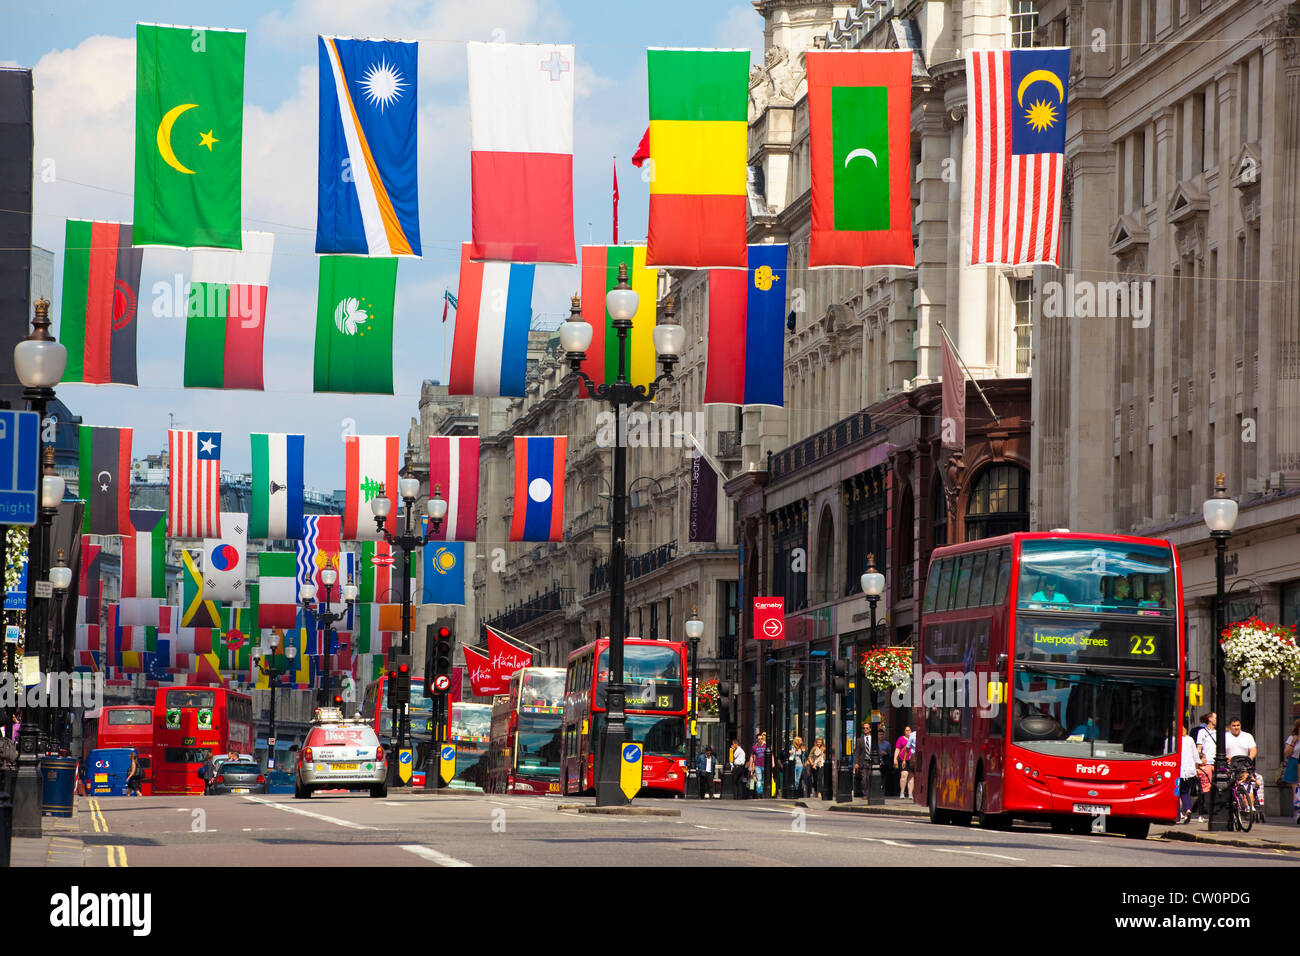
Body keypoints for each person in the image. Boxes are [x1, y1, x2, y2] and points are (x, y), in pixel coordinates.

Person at [1225, 718, 1263, 820]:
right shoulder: (1225, 736)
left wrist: (1249, 759)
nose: (1236, 727)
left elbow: (1253, 749)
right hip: (1230, 765)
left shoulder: (1247, 736)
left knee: (1247, 785)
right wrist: (1225, 757)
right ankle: (1235, 806)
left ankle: (1249, 807)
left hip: (1244, 765)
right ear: (1230, 727)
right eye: (1234, 725)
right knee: (1233, 786)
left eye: (1238, 725)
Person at [1194, 712, 1216, 821]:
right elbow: (1199, 748)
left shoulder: (1220, 732)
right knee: (1205, 789)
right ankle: (1202, 813)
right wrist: (1198, 762)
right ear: (1210, 719)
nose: (1217, 720)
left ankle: (1214, 811)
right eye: (1215, 718)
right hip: (1206, 763)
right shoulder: (1202, 732)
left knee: (1217, 789)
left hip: (1217, 763)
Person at [1177, 722, 1198, 824]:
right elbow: (1195, 755)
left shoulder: (1171, 740)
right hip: (1189, 771)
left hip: (1177, 771)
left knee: (1175, 793)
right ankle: (1188, 810)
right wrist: (1198, 764)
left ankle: (1176, 816)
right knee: (1185, 792)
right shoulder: (1190, 740)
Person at [1283, 719, 1300, 824]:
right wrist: (1293, 742)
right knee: (1297, 791)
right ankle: (1298, 813)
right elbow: (1287, 754)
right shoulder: (1292, 738)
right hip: (1294, 763)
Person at [895, 725, 915, 799]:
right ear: (904, 732)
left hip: (912, 760)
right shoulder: (901, 739)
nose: (908, 732)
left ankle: (910, 794)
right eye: (906, 730)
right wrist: (895, 759)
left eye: (909, 730)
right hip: (903, 759)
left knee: (911, 776)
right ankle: (902, 792)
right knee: (904, 774)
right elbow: (897, 749)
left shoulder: (913, 738)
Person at [752, 732, 768, 798]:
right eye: (759, 739)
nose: (760, 740)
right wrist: (751, 766)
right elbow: (752, 757)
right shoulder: (754, 747)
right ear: (757, 740)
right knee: (759, 779)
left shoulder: (766, 746)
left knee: (764, 780)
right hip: (757, 765)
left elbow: (771, 754)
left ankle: (762, 791)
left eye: (761, 739)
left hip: (765, 765)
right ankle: (760, 792)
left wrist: (772, 762)